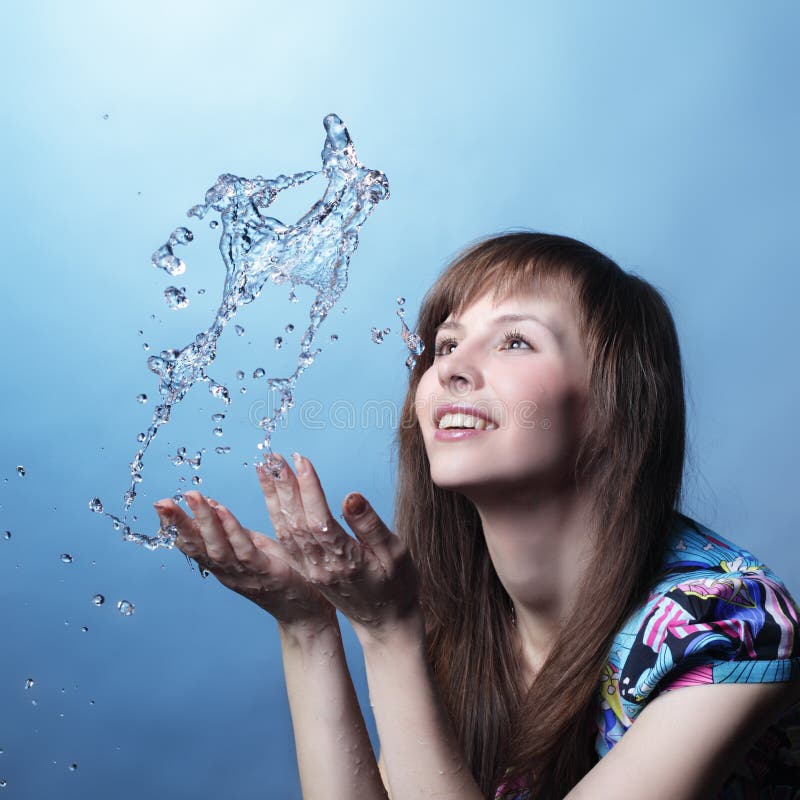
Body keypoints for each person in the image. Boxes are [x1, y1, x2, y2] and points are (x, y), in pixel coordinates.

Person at [154, 232, 800, 799]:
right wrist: (308, 625)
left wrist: (388, 636)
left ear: (613, 404)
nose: (452, 369)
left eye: (515, 341)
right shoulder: (456, 614)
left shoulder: (729, 623)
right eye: (444, 345)